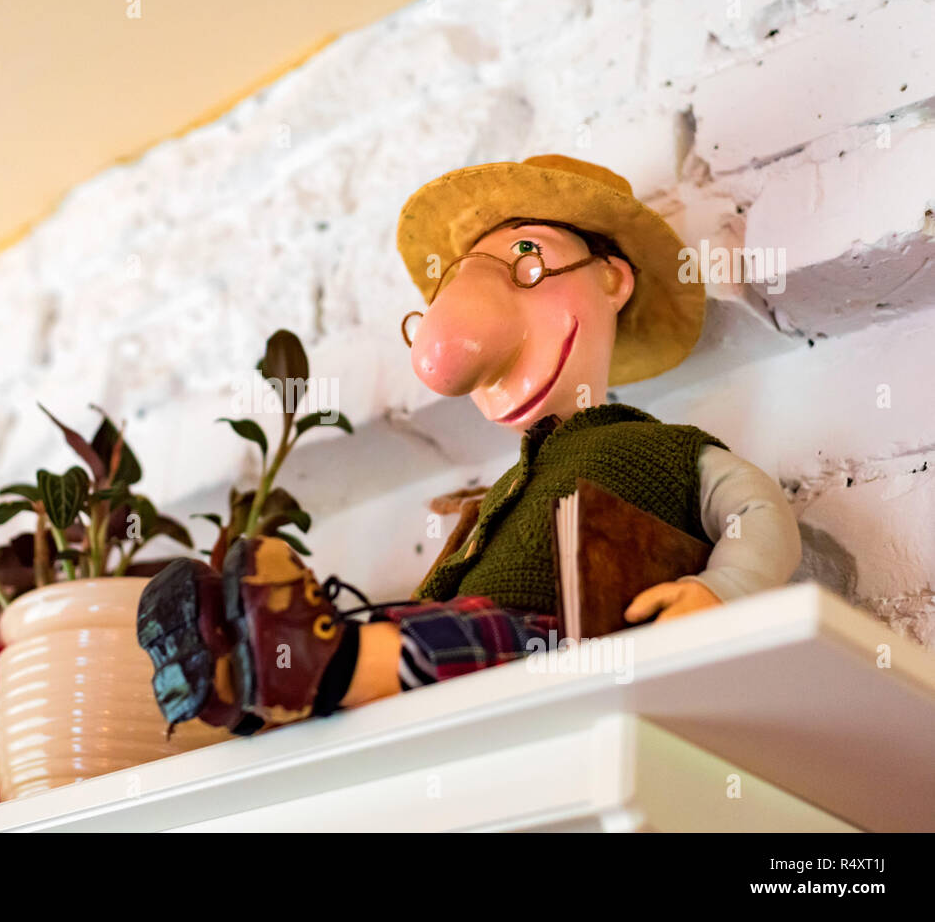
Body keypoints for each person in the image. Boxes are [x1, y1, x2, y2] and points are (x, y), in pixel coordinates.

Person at [138, 154, 801, 735]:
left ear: (611, 279)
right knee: (411, 623)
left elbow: (756, 511)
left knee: (475, 638)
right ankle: (254, 670)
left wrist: (724, 589)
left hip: (559, 645)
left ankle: (306, 662)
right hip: (469, 643)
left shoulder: (670, 450)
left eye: (526, 260)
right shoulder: (501, 491)